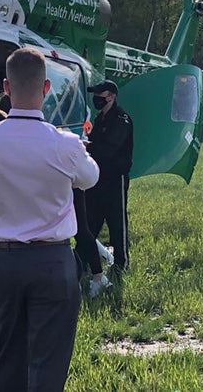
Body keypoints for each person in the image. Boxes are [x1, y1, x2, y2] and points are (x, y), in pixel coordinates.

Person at [0, 48, 99, 392]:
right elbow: (91, 178)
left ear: (5, 88)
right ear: (46, 88)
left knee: (8, 359)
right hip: (52, 260)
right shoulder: (65, 144)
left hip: (5, 260)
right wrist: (78, 152)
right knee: (49, 363)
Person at [85, 79, 134, 274]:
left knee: (117, 225)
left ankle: (121, 265)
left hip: (115, 178)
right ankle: (84, 262)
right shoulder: (100, 118)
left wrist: (88, 146)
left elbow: (109, 149)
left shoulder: (121, 119)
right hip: (97, 178)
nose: (96, 99)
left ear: (111, 97)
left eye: (100, 95)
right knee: (90, 223)